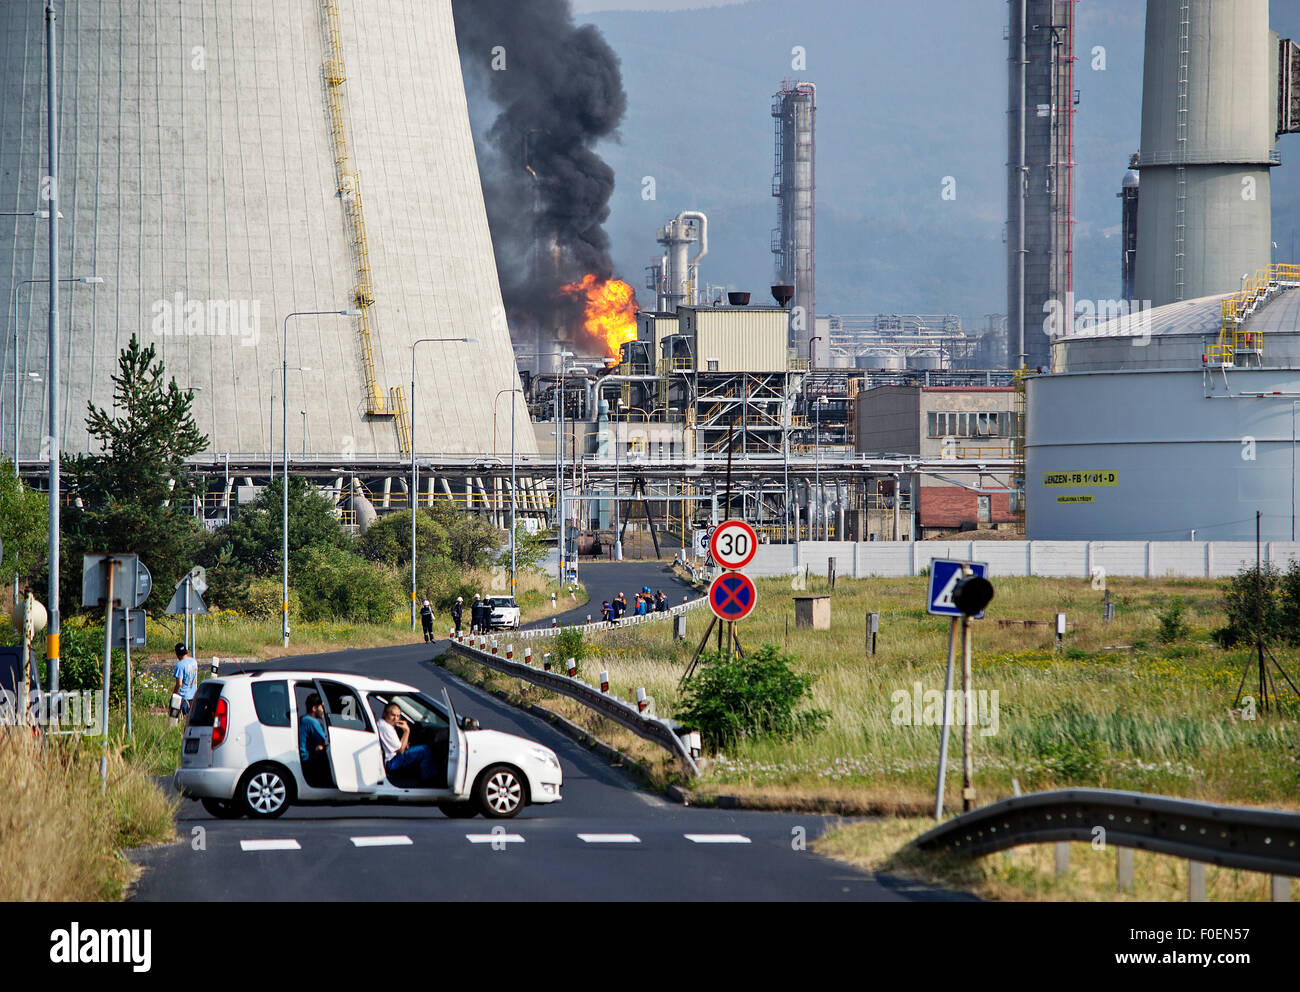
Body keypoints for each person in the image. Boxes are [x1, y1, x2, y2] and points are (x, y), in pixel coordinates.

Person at [377, 702, 436, 785]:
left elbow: (400, 746)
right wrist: (406, 731)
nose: (395, 719)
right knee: (424, 750)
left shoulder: (383, 724)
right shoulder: (386, 728)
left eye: (398, 716)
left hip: (391, 757)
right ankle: (428, 781)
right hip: (391, 762)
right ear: (384, 714)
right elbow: (401, 750)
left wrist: (404, 744)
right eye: (393, 715)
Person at [298, 693, 330, 786]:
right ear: (314, 708)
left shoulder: (303, 719)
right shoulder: (312, 722)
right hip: (307, 760)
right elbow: (325, 741)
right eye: (322, 707)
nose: (323, 710)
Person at [171, 643, 198, 717]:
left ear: (177, 654)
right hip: (193, 696)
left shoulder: (180, 665)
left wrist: (174, 695)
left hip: (183, 697)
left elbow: (179, 684)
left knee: (179, 718)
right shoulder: (194, 661)